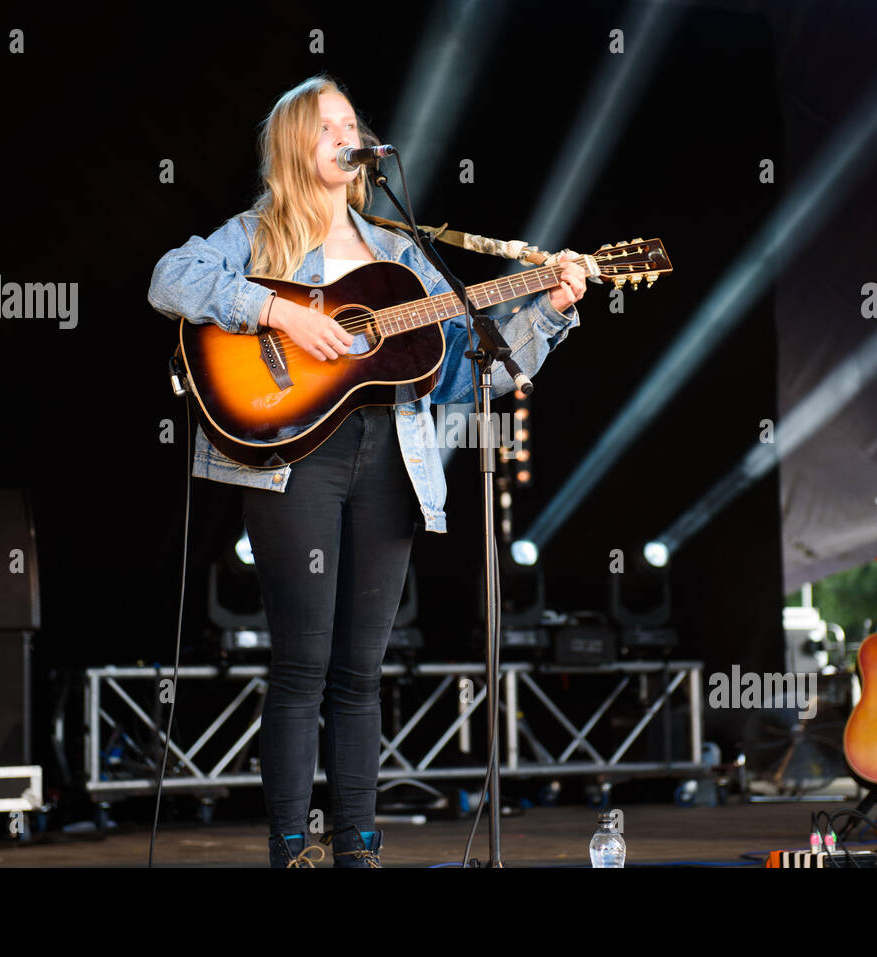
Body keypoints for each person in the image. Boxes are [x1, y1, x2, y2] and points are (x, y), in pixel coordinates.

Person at [147, 75, 586, 867]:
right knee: (302, 662)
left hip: (393, 463)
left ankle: (358, 848)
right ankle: (291, 847)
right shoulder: (258, 232)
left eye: (354, 123)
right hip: (295, 460)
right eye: (329, 126)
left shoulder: (401, 252)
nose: (350, 136)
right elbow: (169, 279)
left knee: (361, 670)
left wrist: (548, 311)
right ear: (294, 147)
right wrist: (280, 311)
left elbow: (458, 378)